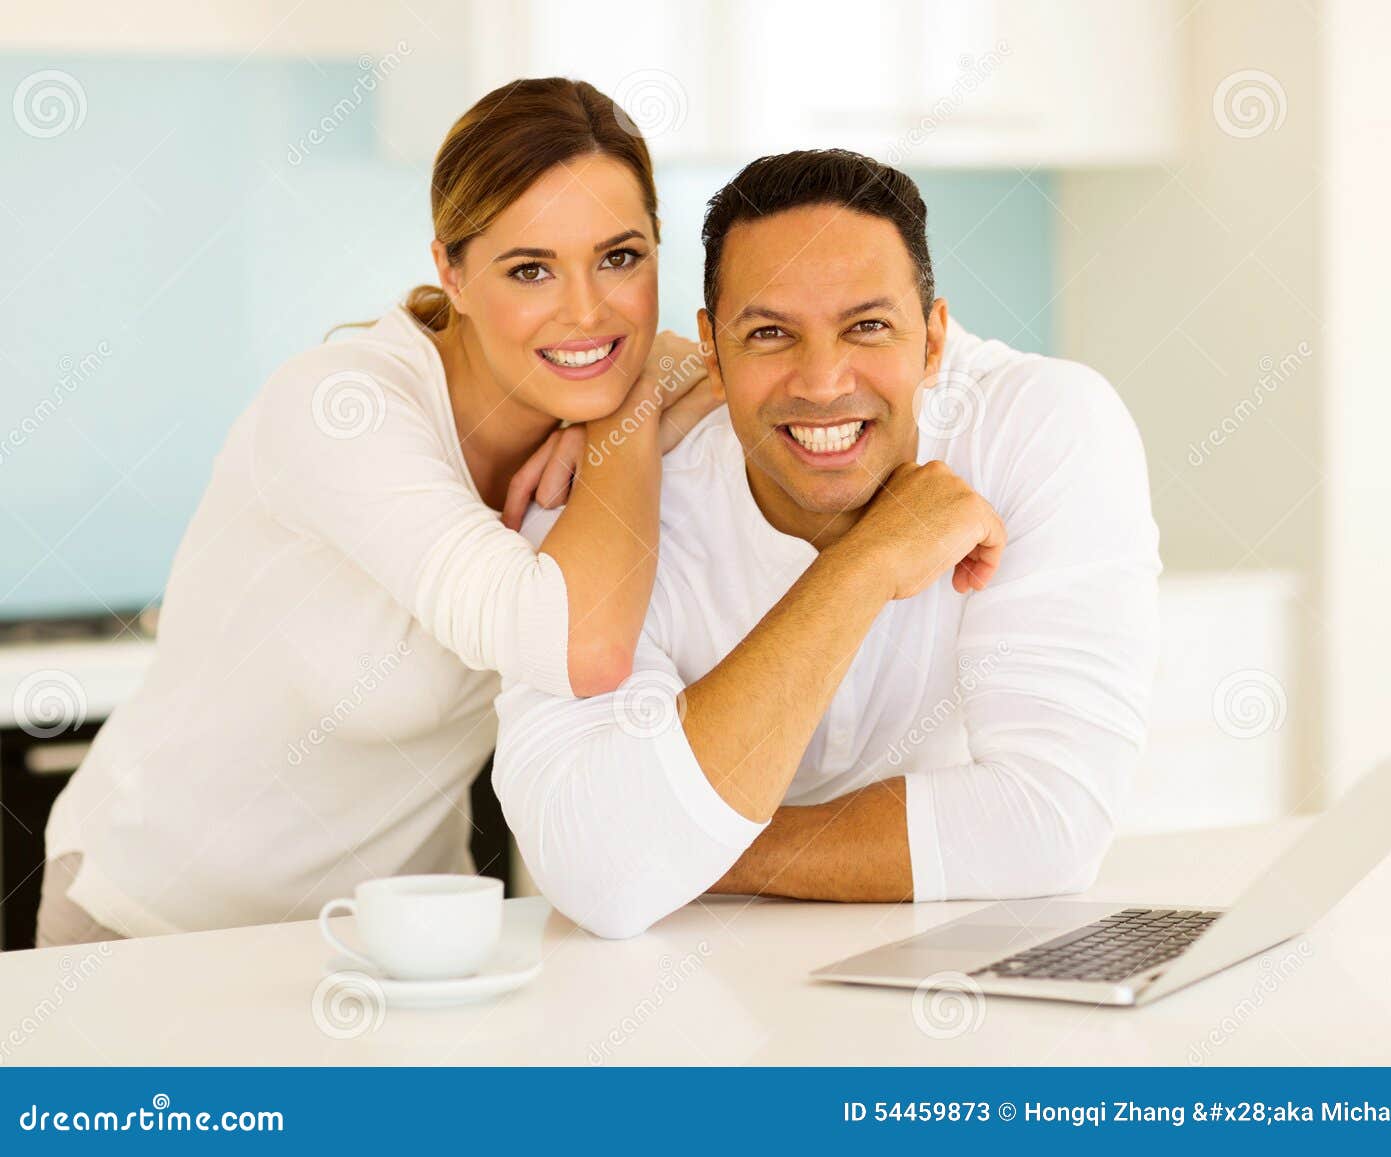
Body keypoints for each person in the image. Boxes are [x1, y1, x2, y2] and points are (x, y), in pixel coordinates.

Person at [35, 78, 722, 945]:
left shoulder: (592, 419)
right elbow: (580, 644)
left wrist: (651, 394)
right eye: (531, 269)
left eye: (620, 257)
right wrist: (633, 416)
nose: (588, 310)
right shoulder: (339, 407)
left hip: (400, 942)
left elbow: (751, 362)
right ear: (453, 272)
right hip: (154, 927)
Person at [492, 149, 1162, 939]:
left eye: (868, 326)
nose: (822, 380)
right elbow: (599, 875)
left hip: (933, 970)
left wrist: (679, 845)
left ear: (934, 338)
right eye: (771, 332)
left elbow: (1052, 825)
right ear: (710, 348)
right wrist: (867, 563)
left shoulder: (1043, 427)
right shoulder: (599, 508)